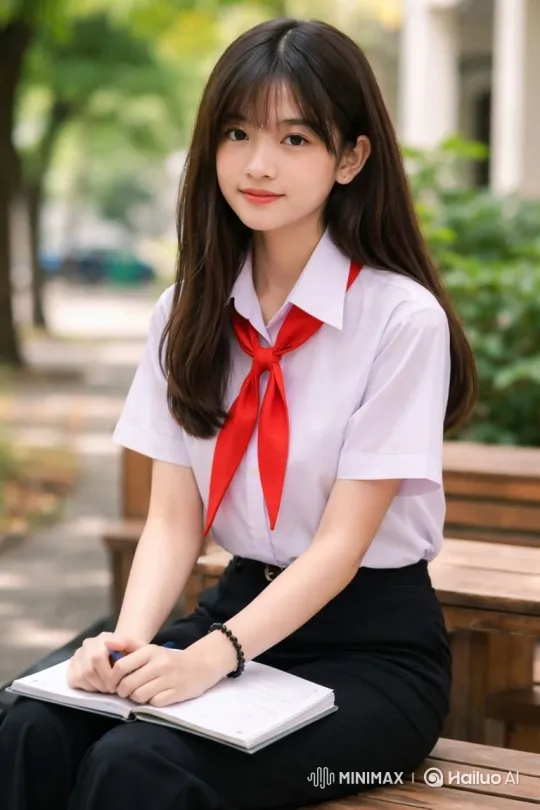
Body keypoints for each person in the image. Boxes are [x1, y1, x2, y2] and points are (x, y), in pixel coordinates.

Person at [0, 16, 477, 810]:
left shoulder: (400, 319)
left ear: (352, 157)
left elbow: (341, 548)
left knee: (140, 765)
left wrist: (210, 659)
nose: (258, 164)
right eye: (237, 132)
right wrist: (129, 641)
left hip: (371, 654)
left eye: (296, 139)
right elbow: (173, 523)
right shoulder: (185, 311)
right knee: (30, 725)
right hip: (237, 608)